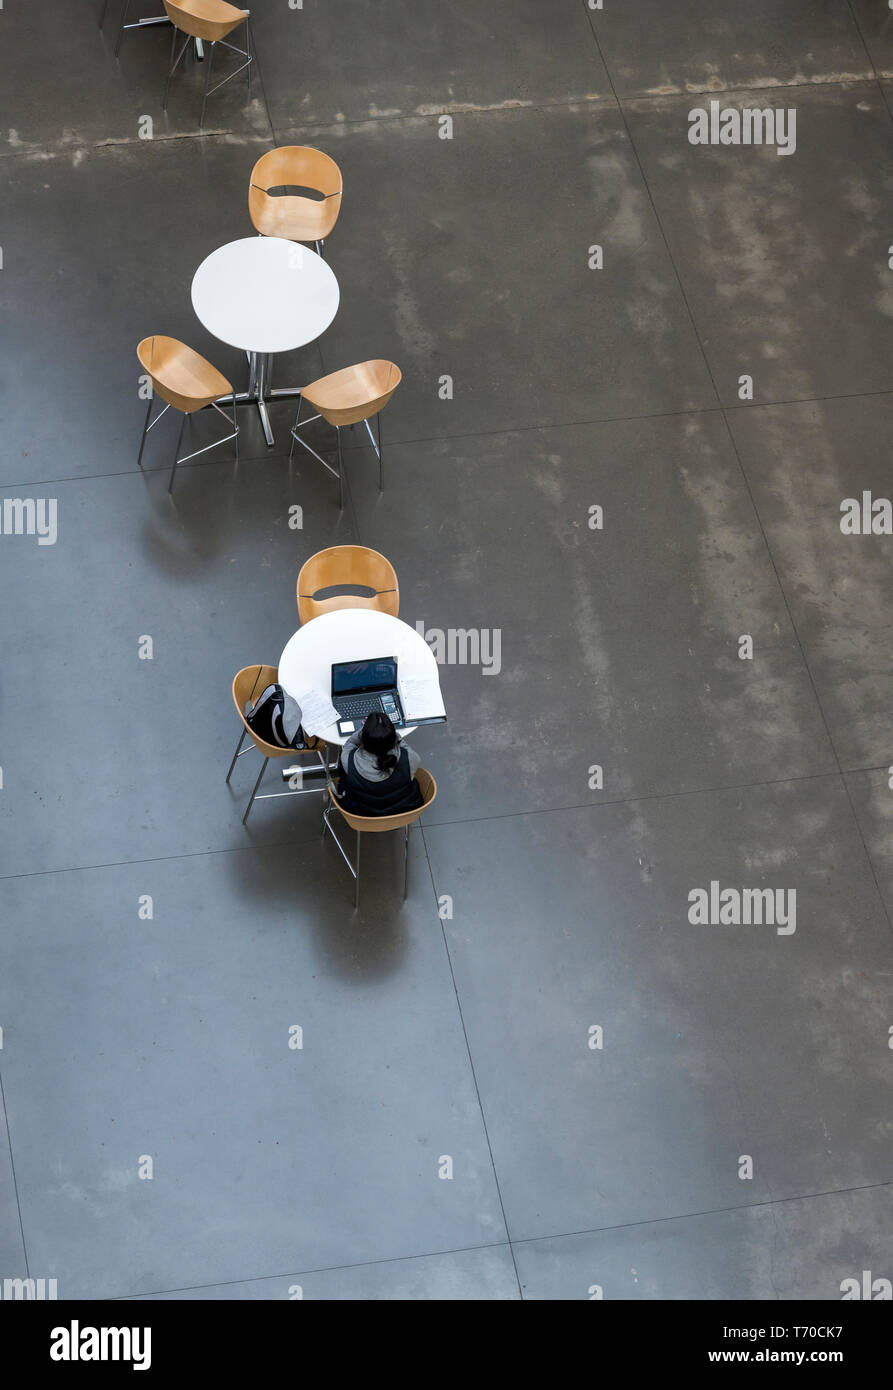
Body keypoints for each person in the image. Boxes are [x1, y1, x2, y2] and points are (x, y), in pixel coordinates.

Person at [336, 711, 424, 815]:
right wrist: (385, 733)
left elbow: (350, 742)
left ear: (363, 740)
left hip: (363, 815)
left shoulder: (348, 759)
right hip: (402, 812)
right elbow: (401, 742)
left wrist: (368, 731)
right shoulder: (411, 758)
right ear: (392, 738)